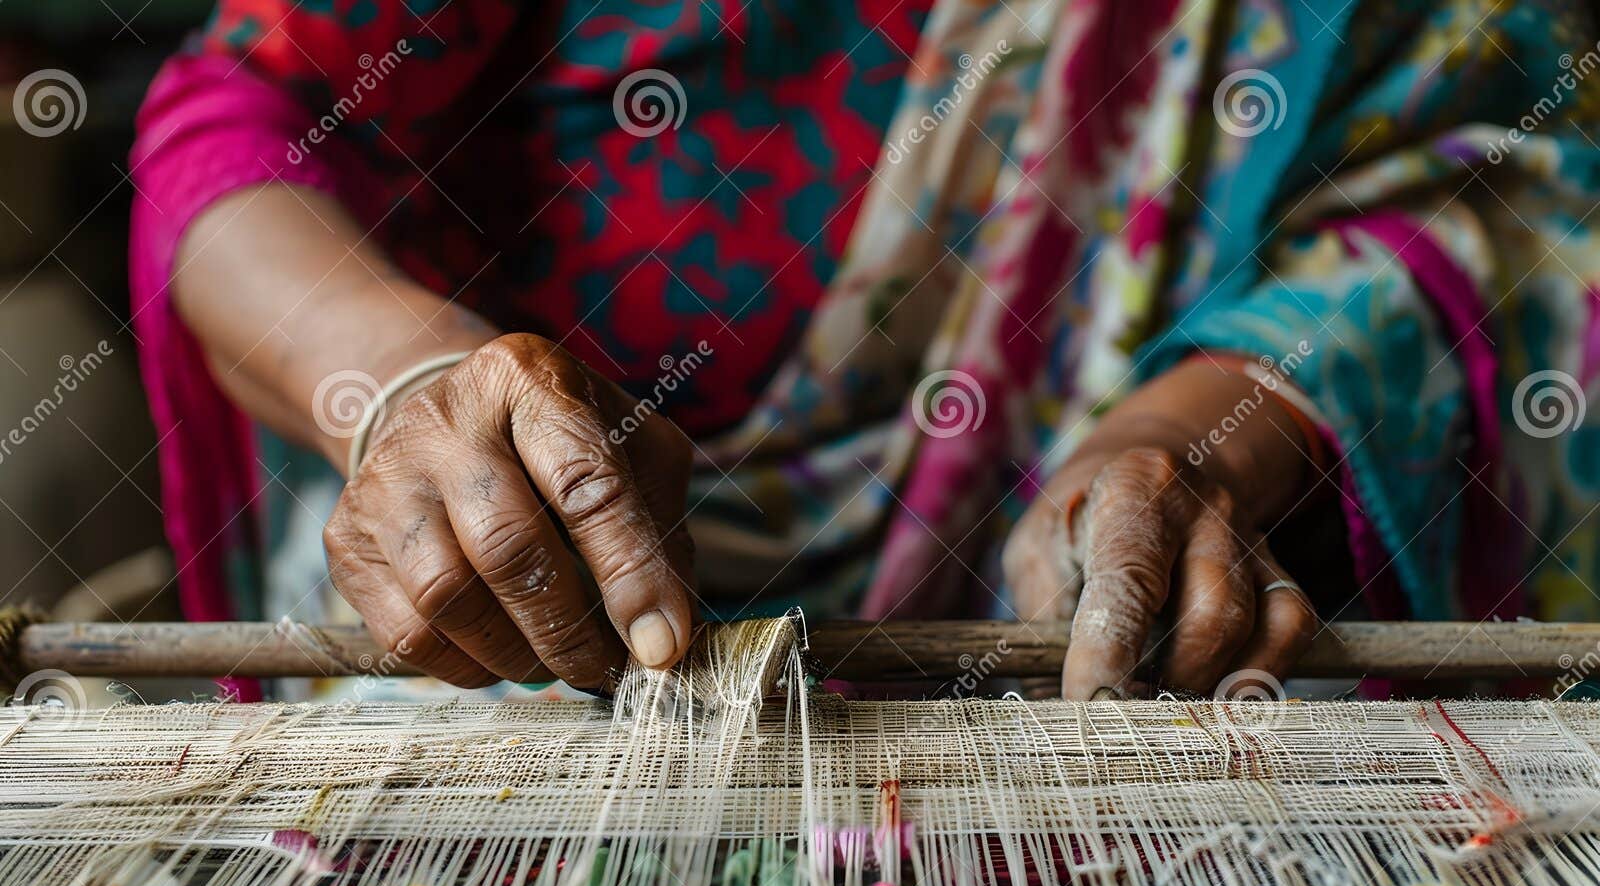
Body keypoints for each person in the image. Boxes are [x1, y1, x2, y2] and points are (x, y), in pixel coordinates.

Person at [131, 0, 1600, 699]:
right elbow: (243, 122)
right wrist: (405, 389)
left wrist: (1179, 444)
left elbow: (1483, 199)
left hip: (1111, 674)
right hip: (531, 640)